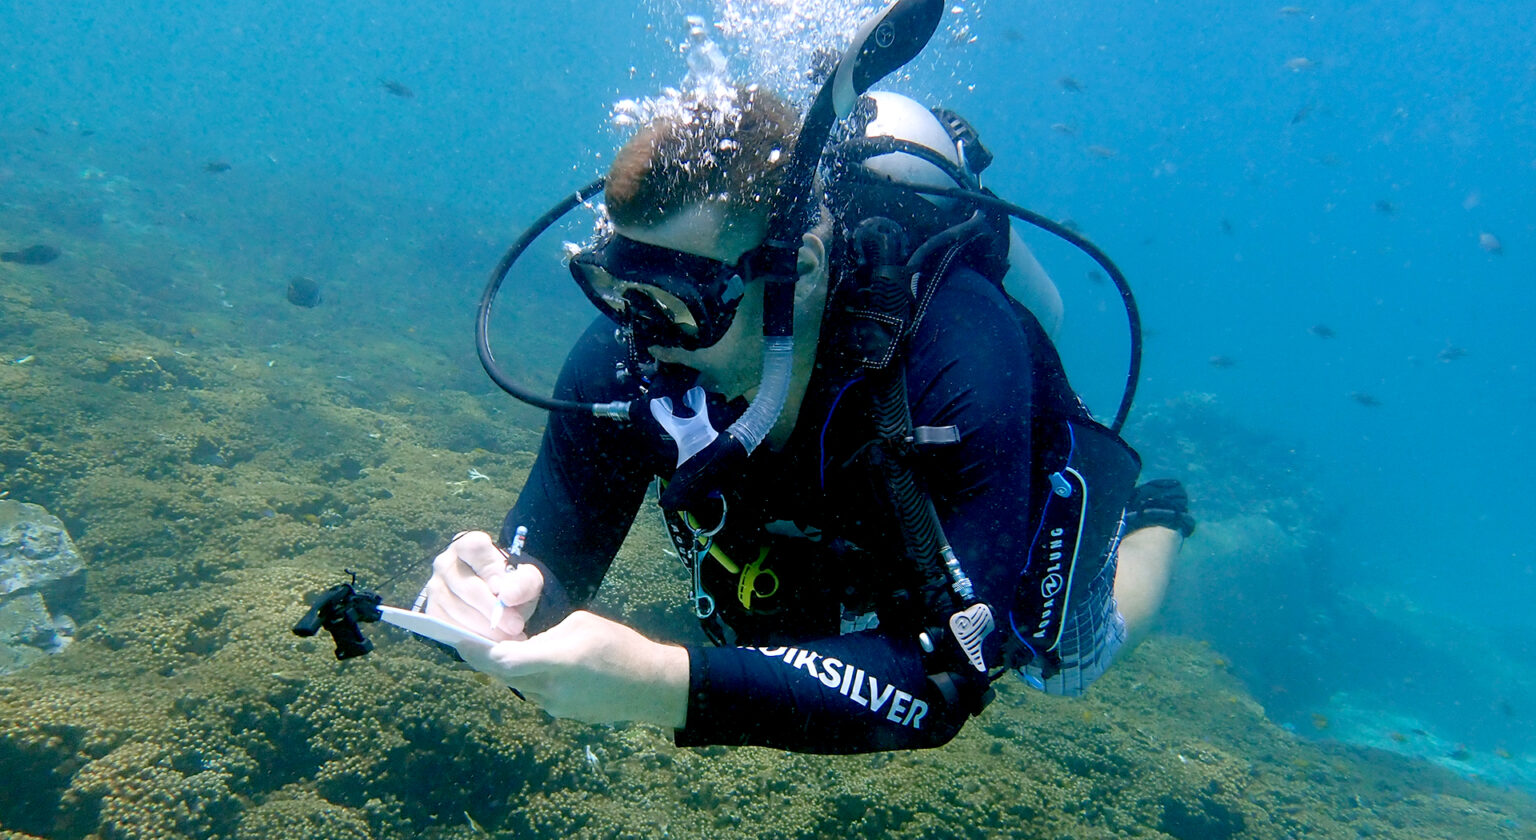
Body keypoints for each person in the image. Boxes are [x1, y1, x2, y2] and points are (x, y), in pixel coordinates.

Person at [415, 84, 1194, 754]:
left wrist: (662, 684)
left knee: (1069, 656)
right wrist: (489, 596)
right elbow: (546, 561)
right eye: (620, 285)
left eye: (684, 298)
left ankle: (1158, 512)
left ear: (802, 272)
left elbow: (955, 677)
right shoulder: (634, 347)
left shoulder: (961, 357)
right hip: (817, 513)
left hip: (942, 484)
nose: (643, 335)